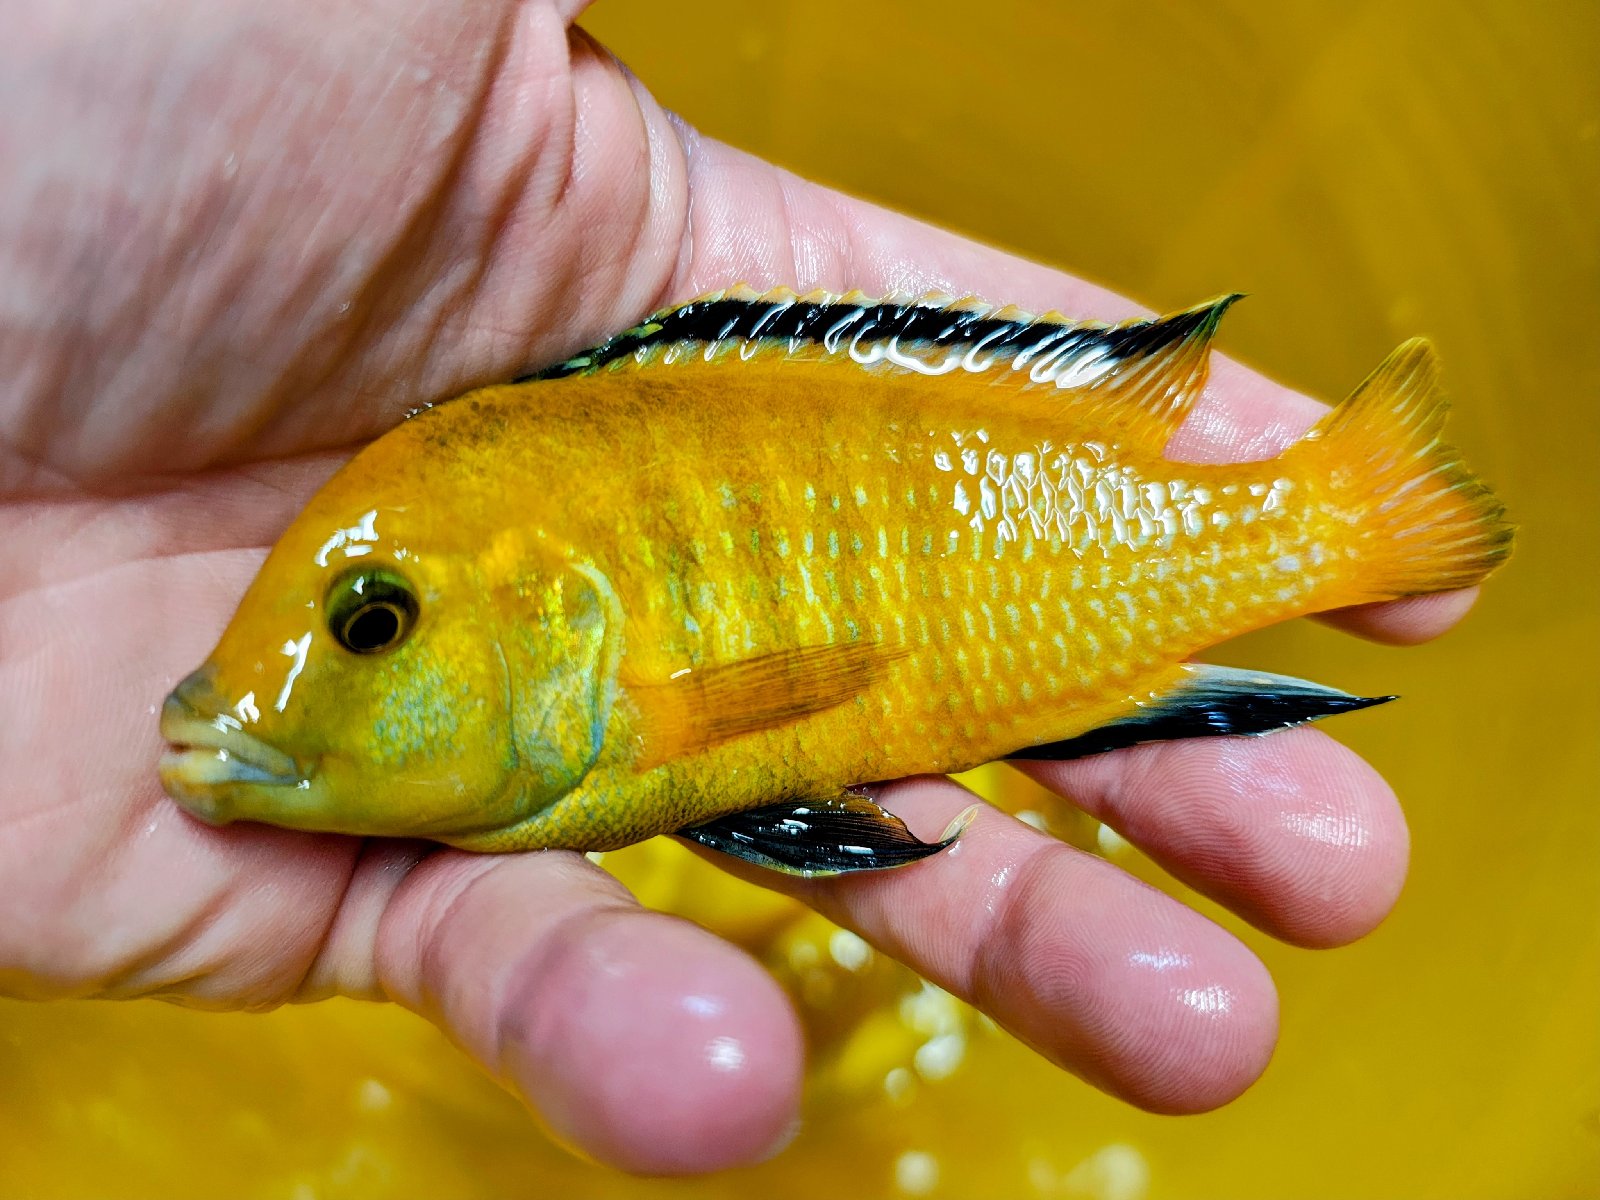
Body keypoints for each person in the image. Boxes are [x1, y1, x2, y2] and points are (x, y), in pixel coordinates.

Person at [0, 0, 1474, 1176]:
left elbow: (792, 707)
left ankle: (1354, 516)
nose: (245, 706)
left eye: (372, 626)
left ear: (547, 617)